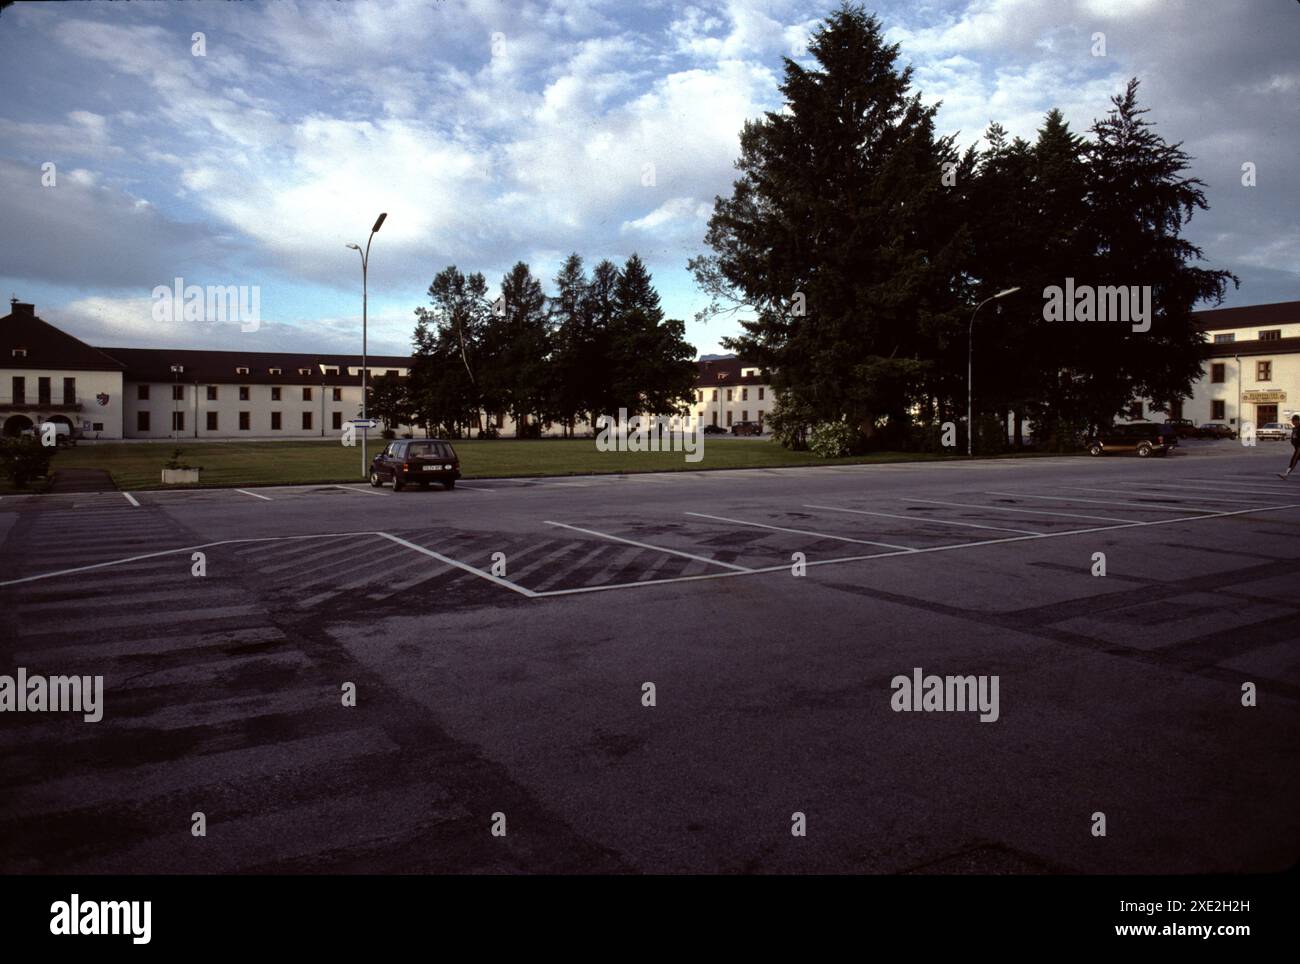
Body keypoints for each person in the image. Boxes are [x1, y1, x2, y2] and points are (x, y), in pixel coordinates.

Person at [1279, 414, 1300, 479]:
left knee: (1294, 460)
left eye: (1294, 421)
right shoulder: (1294, 429)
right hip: (1297, 447)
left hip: (1299, 448)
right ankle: (1286, 474)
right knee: (1293, 460)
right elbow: (1293, 438)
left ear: (1297, 421)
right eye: (1292, 421)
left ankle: (1286, 474)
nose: (1292, 422)